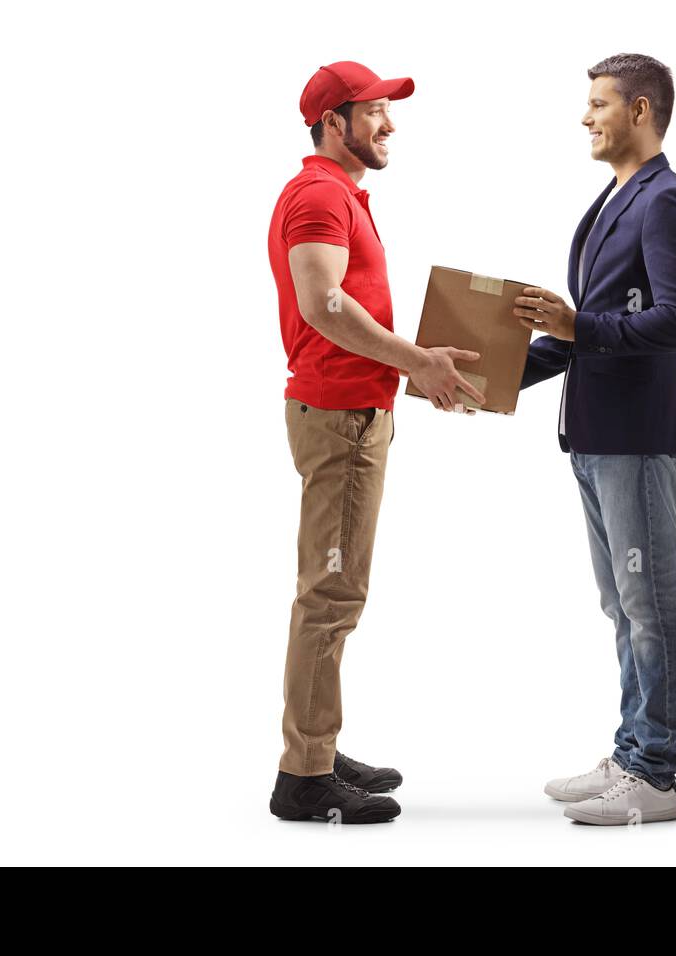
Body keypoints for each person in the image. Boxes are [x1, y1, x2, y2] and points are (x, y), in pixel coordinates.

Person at [267, 61, 485, 824]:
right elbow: (324, 304)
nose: (389, 124)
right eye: (374, 112)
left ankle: (318, 746)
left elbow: (342, 307)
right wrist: (419, 362)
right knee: (329, 596)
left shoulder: (340, 195)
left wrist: (418, 370)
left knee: (335, 593)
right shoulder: (321, 195)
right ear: (334, 123)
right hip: (339, 420)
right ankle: (304, 775)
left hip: (352, 413)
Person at [514, 54, 676, 825]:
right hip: (595, 438)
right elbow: (580, 337)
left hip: (636, 437)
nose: (586, 118)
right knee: (622, 604)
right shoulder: (611, 201)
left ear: (639, 110)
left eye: (598, 104)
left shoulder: (669, 203)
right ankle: (633, 749)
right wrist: (483, 383)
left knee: (649, 602)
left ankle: (655, 776)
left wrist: (577, 323)